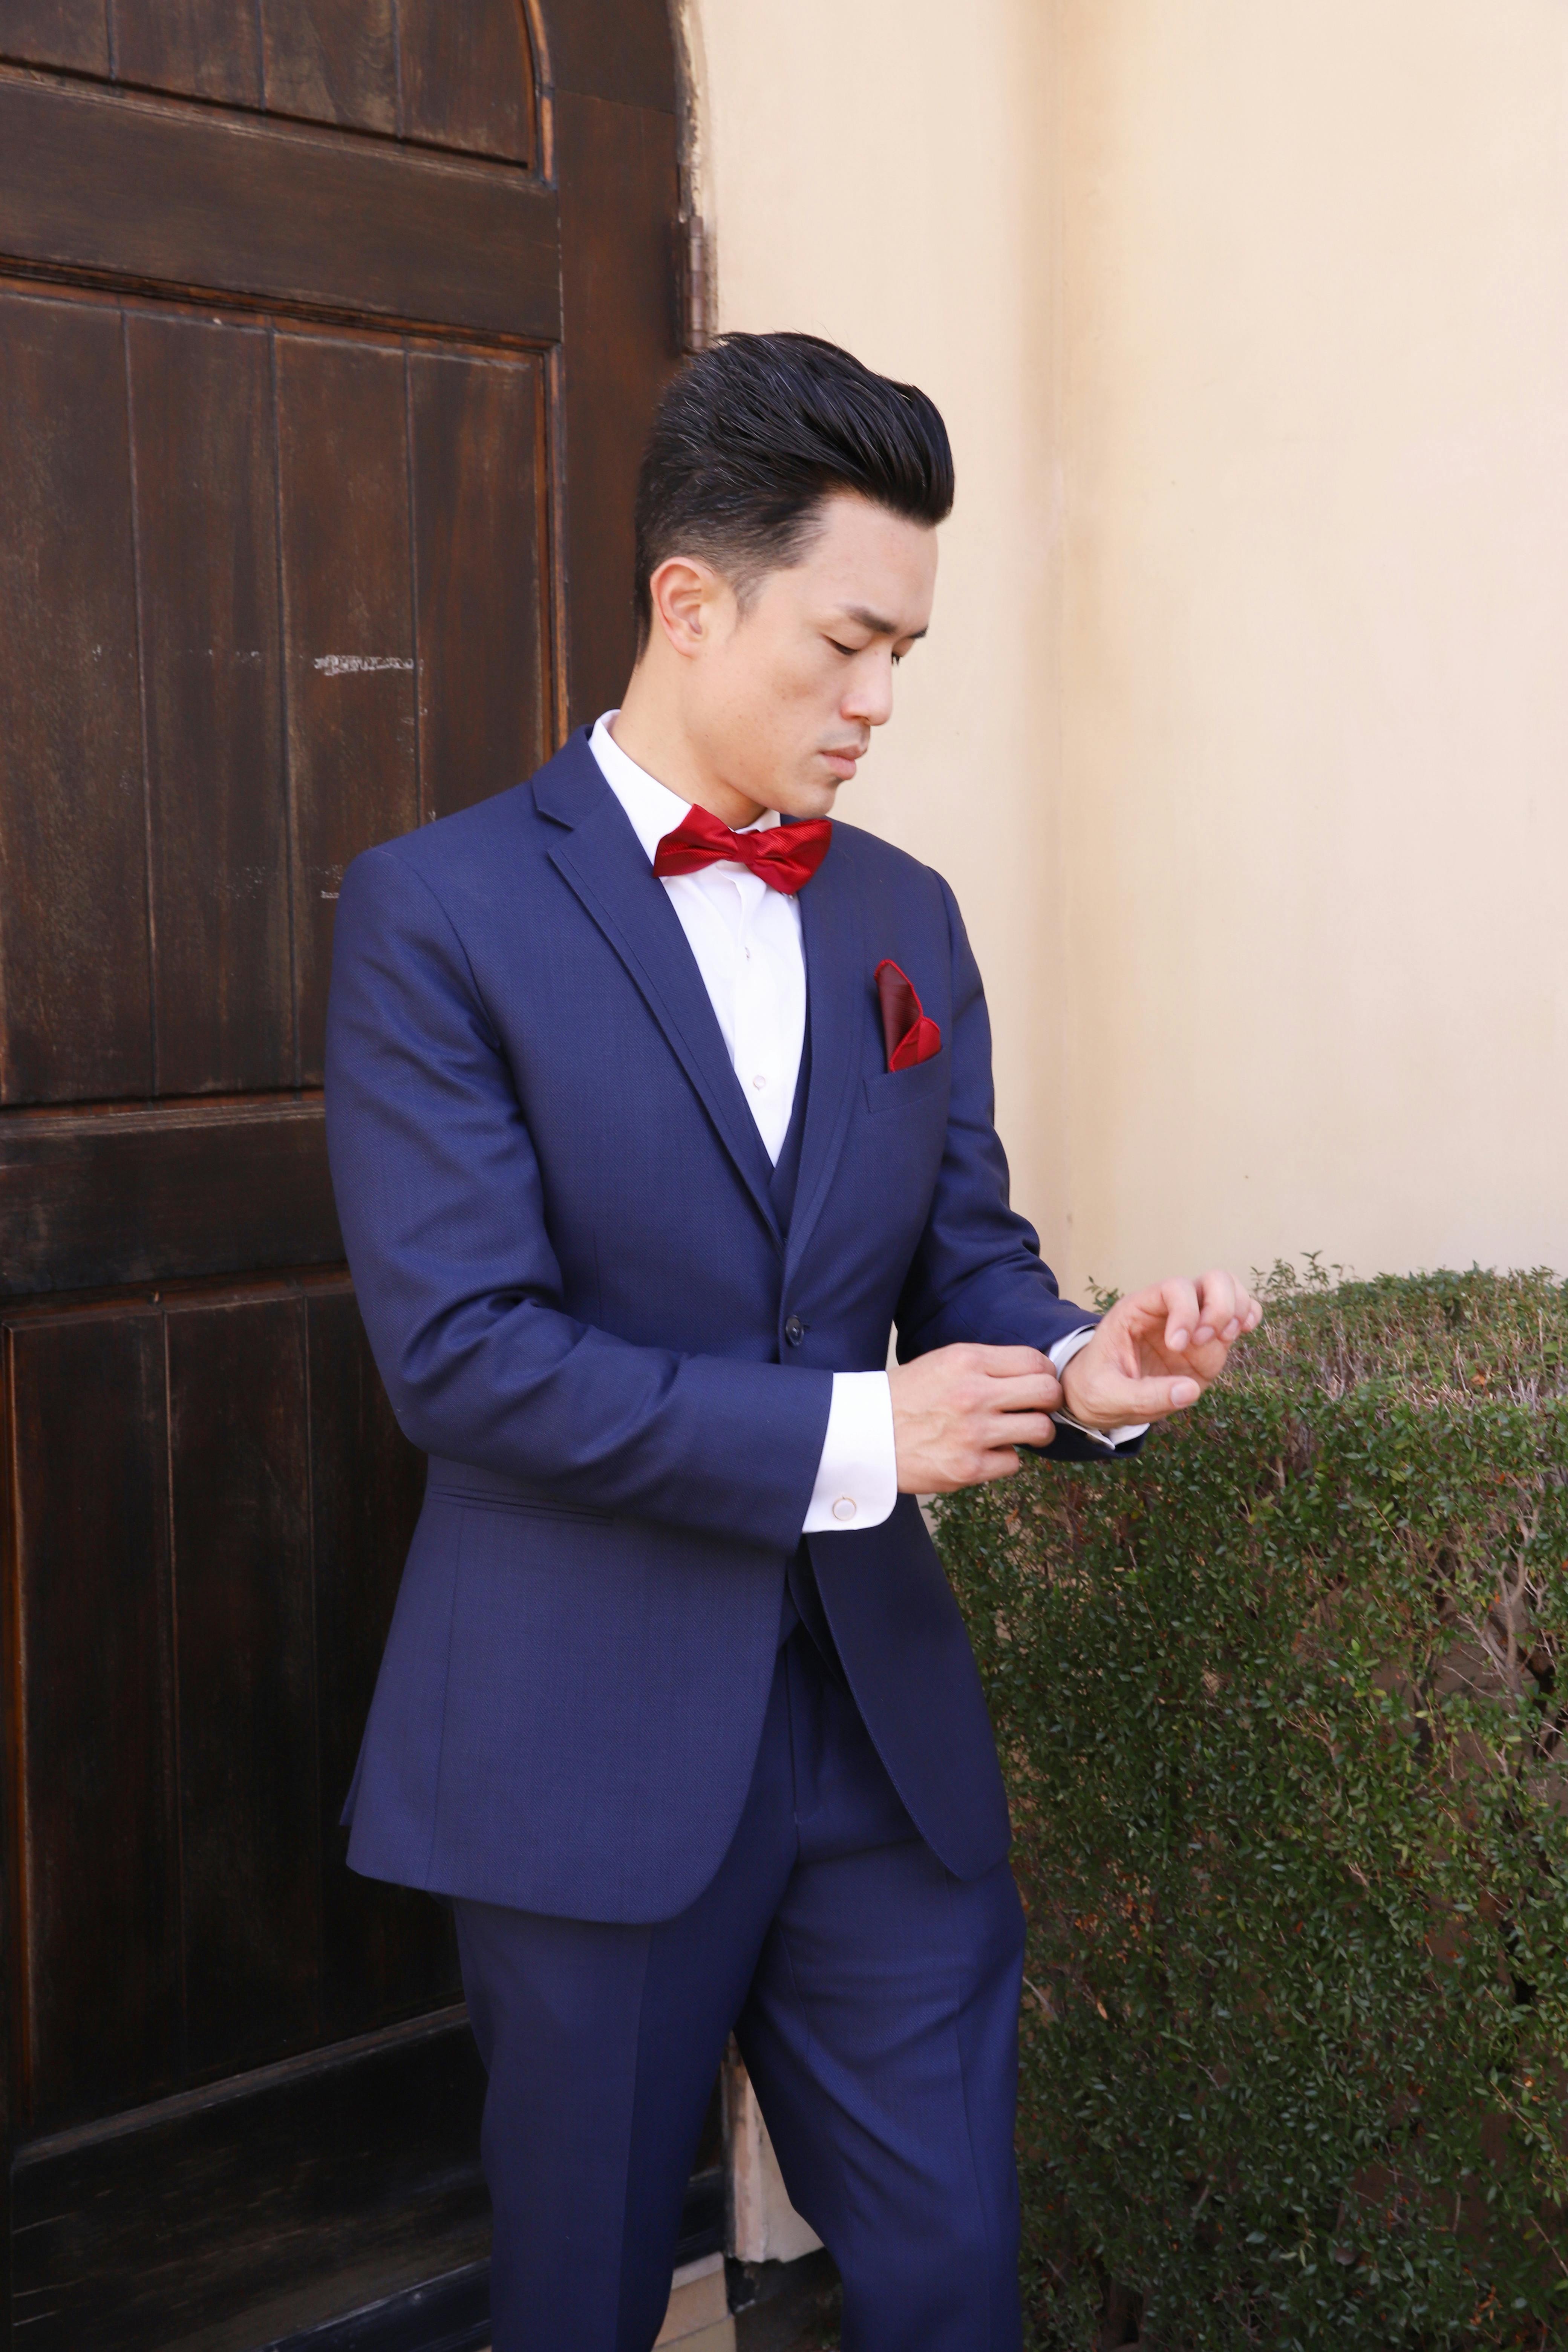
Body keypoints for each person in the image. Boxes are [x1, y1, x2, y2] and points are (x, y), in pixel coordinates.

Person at [325, 330, 1260, 2352]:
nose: (880, 700)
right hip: (579, 1744)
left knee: (946, 2289)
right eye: (849, 641)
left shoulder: (906, 917)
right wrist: (862, 1435)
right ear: (690, 599)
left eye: (907, 653)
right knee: (577, 2298)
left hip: (880, 1747)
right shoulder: (439, 914)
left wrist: (1090, 1371)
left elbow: (969, 1267)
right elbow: (466, 1357)